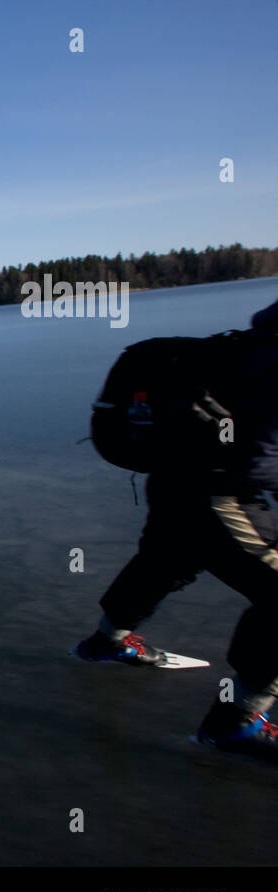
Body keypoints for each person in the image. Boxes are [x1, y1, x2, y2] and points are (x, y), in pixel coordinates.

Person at [73, 297, 278, 762]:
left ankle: (108, 640)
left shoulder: (250, 345)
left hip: (174, 479)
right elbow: (256, 460)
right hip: (220, 493)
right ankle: (237, 724)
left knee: (166, 558)